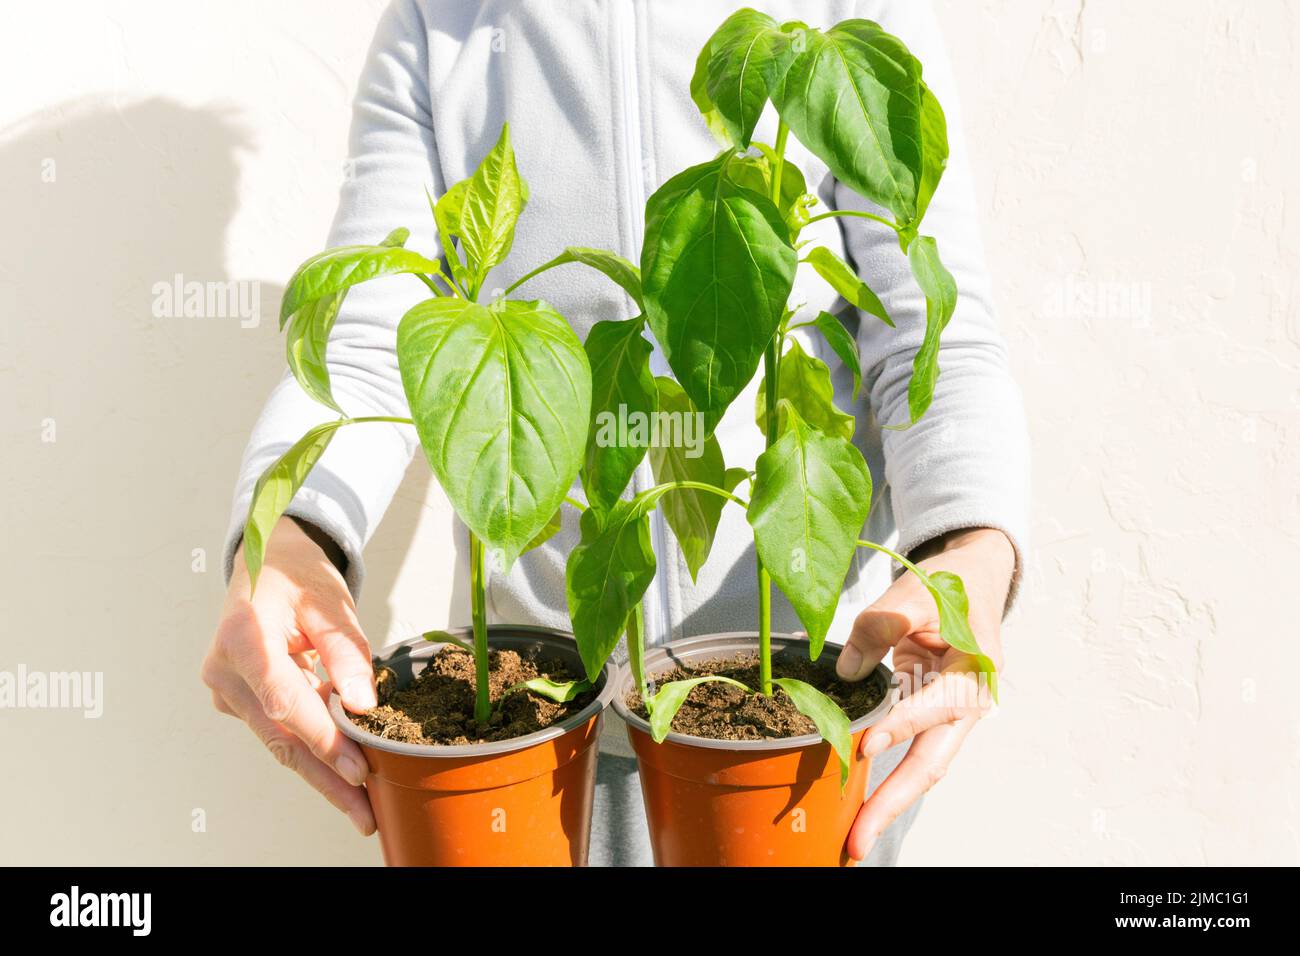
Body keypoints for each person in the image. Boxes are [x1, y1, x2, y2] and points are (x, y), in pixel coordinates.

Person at [201, 0, 1030, 866]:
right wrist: (295, 540)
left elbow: (932, 336)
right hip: (544, 729)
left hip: (819, 708)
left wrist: (969, 554)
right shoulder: (443, 20)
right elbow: (370, 342)